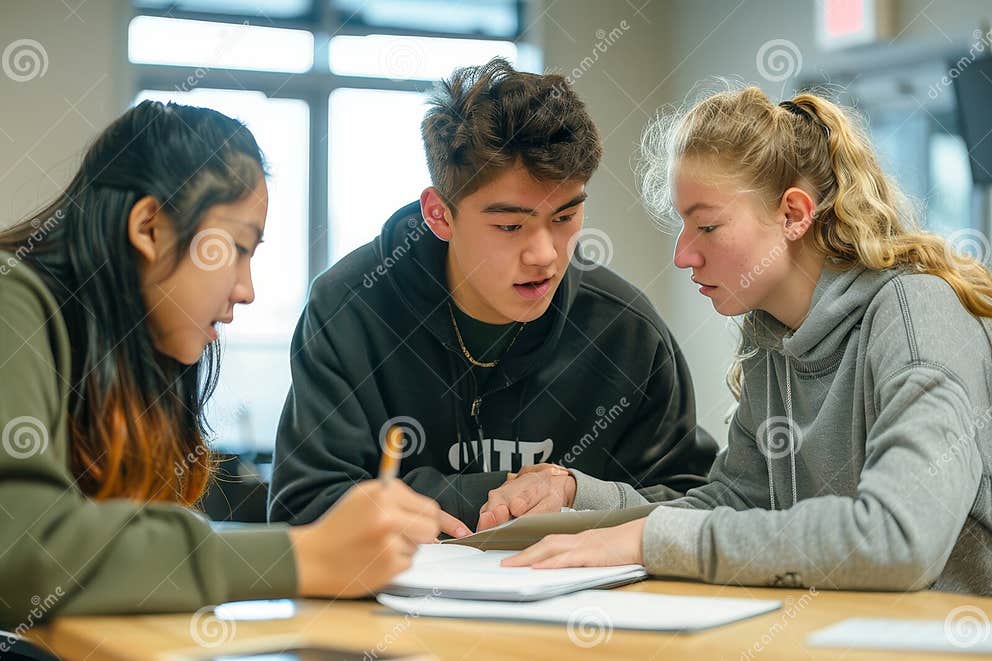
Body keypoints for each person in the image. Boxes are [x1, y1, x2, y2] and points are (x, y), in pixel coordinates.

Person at [504, 86, 992, 595]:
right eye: (683, 226)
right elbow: (737, 503)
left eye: (707, 225)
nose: (683, 255)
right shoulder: (771, 335)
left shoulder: (917, 316)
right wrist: (579, 497)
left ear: (793, 214)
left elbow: (898, 540)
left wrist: (649, 541)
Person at [0, 100, 441, 625]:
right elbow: (23, 558)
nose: (247, 290)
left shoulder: (136, 358)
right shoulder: (11, 301)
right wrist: (306, 556)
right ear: (150, 228)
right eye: (236, 247)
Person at [268, 57, 717, 533]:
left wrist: (573, 490)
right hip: (387, 606)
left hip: (578, 606)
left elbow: (694, 501)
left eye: (564, 218)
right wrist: (493, 496)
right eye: (510, 225)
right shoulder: (349, 309)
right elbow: (304, 506)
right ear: (440, 215)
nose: (544, 255)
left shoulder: (625, 330)